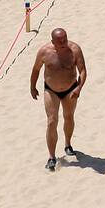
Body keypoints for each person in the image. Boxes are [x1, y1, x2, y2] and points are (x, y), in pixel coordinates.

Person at [28, 28, 87, 172]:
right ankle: (52, 157)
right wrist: (32, 86)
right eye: (59, 41)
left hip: (70, 89)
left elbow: (83, 71)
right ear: (52, 41)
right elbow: (36, 69)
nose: (63, 42)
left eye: (65, 39)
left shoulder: (75, 49)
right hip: (51, 90)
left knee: (68, 116)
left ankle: (68, 144)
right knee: (51, 121)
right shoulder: (44, 52)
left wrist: (78, 88)